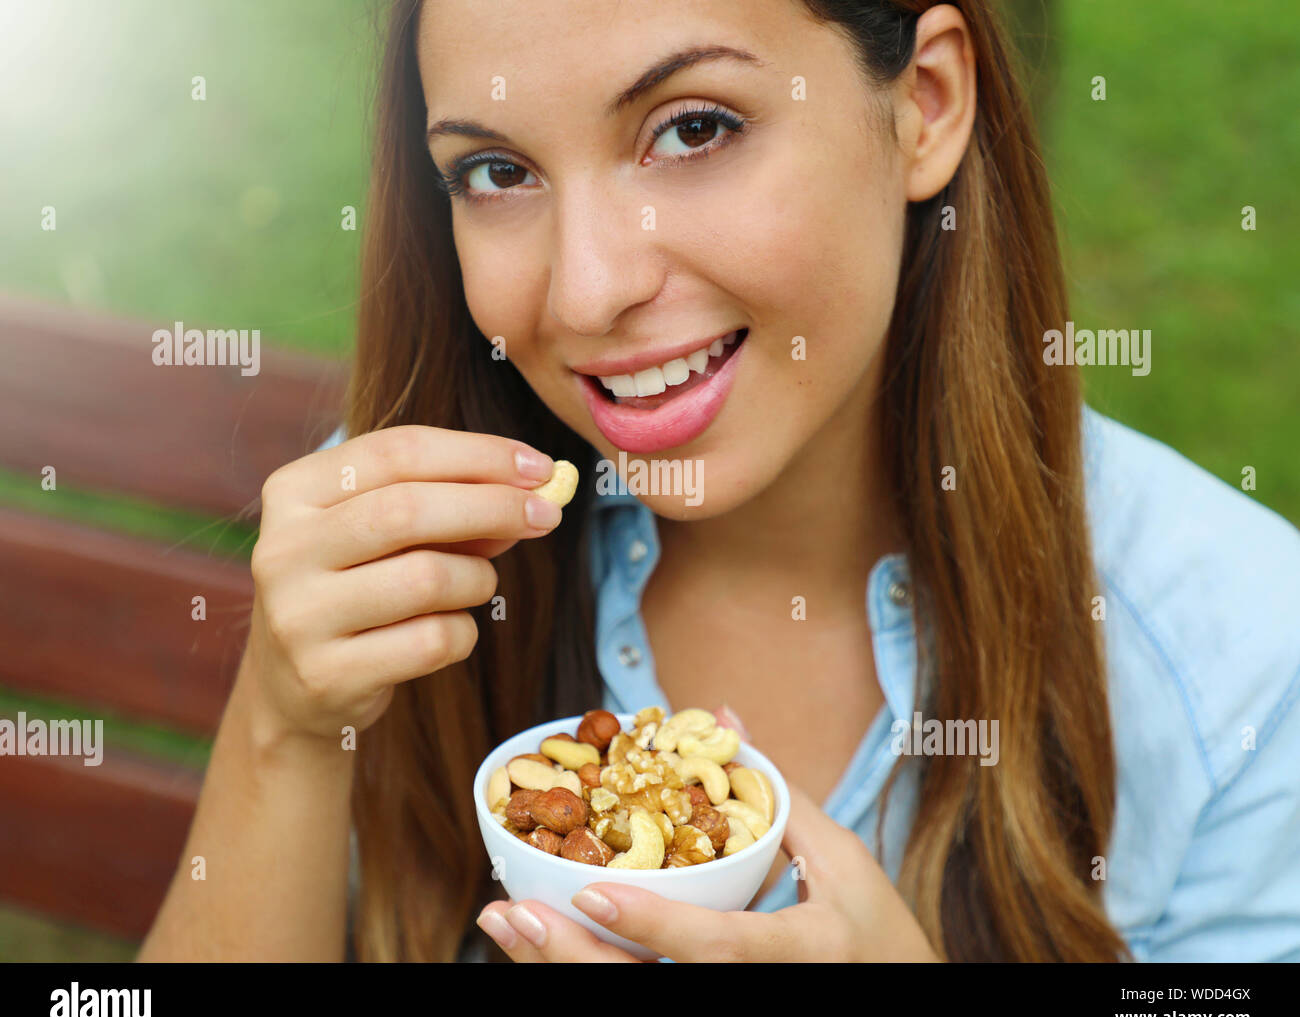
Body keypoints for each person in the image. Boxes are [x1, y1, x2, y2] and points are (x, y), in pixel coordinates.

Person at [138, 0, 1300, 963]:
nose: (586, 291)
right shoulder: (419, 555)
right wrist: (284, 727)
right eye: (496, 169)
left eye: (692, 129)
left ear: (926, 105)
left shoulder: (1243, 661)